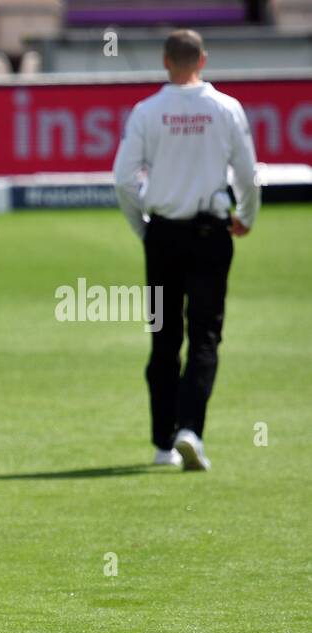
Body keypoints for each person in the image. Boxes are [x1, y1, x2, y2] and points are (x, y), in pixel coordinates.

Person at [113, 28, 259, 471]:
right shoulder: (226, 108)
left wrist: (144, 229)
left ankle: (162, 444)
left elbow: (122, 178)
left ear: (164, 62)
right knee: (205, 335)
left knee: (163, 338)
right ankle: (190, 429)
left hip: (163, 236)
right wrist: (246, 217)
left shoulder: (146, 111)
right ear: (203, 60)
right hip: (210, 234)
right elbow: (248, 174)